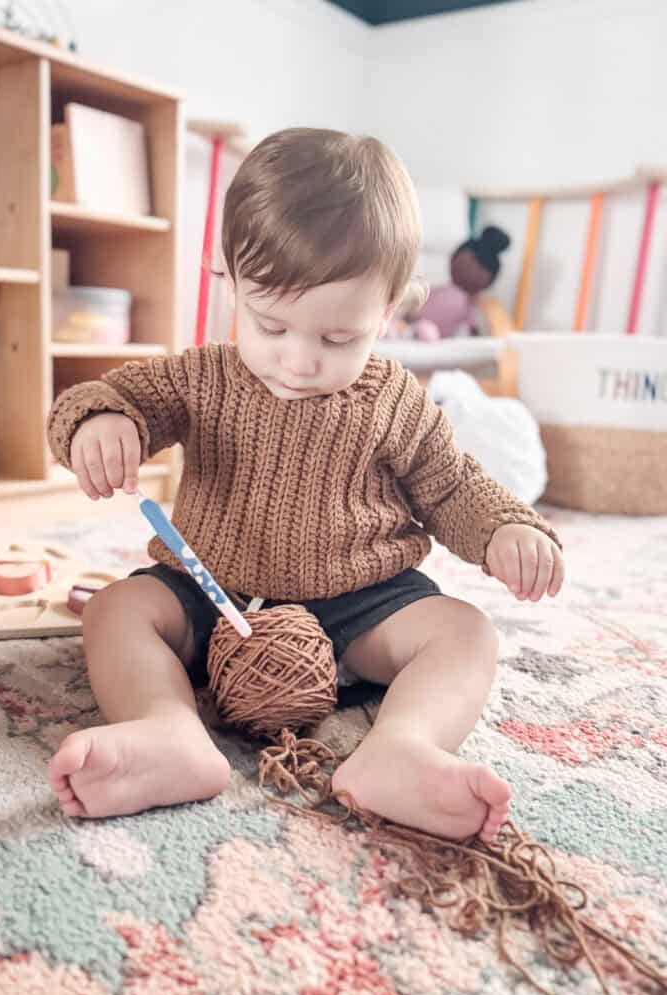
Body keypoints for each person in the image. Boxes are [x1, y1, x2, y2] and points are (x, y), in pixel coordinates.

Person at [46, 127, 564, 843]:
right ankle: (167, 730)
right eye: (271, 325)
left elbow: (452, 490)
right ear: (227, 278)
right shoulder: (203, 376)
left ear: (389, 311)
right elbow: (106, 396)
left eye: (337, 339)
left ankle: (402, 748)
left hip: (361, 610)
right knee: (113, 610)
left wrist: (509, 528)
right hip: (211, 592)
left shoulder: (398, 402)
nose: (297, 361)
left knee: (466, 633)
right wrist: (100, 423)